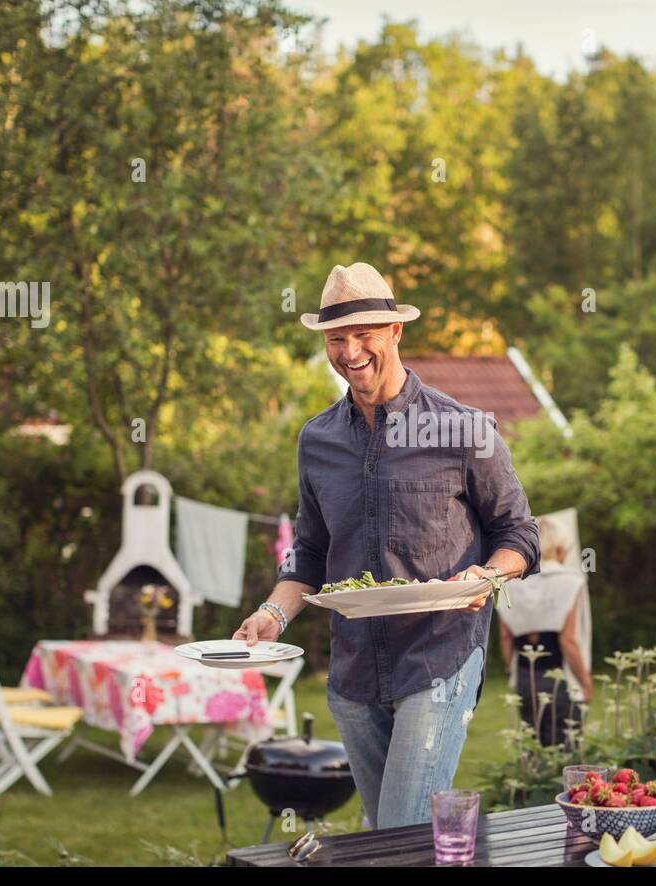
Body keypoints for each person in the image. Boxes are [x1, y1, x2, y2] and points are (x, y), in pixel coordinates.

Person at [233, 262, 540, 829]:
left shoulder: (465, 430)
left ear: (396, 331)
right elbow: (310, 549)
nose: (350, 351)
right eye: (336, 339)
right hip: (353, 675)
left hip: (437, 659)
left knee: (401, 833)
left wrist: (487, 578)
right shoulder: (317, 439)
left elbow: (518, 533)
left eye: (363, 335)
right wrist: (272, 613)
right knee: (384, 841)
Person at [497, 516, 592, 746]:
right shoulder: (570, 581)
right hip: (559, 677)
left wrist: (513, 673)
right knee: (567, 747)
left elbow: (505, 637)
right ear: (559, 549)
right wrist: (586, 683)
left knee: (535, 745)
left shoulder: (509, 583)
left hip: (524, 675)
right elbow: (569, 641)